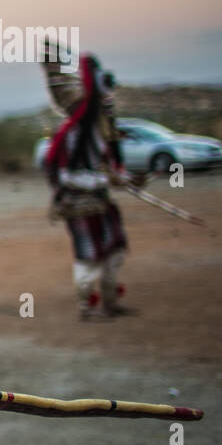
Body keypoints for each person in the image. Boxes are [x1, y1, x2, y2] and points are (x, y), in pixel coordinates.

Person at [40, 43, 138, 319]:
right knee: (89, 253)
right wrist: (102, 181)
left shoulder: (100, 129)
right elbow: (65, 174)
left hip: (100, 201)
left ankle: (109, 301)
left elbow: (107, 163)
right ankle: (86, 306)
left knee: (113, 249)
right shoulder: (73, 135)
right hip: (79, 202)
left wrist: (120, 176)